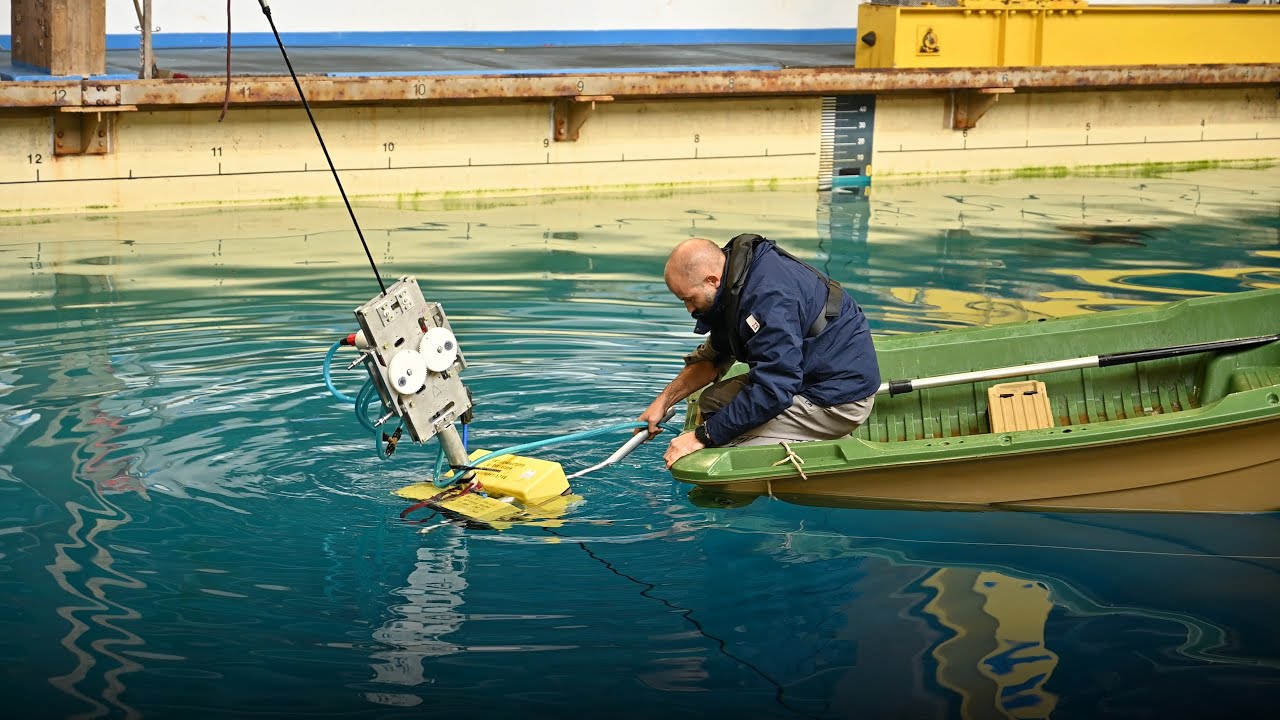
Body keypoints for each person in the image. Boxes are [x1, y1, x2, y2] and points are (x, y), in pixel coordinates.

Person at [639, 234, 880, 469]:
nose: (689, 308)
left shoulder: (769, 300)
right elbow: (713, 358)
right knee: (712, 402)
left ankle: (822, 446)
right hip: (805, 374)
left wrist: (702, 437)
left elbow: (773, 389)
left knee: (720, 454)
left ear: (712, 280)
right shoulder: (735, 280)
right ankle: (800, 433)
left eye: (689, 299)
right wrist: (663, 402)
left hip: (838, 397)